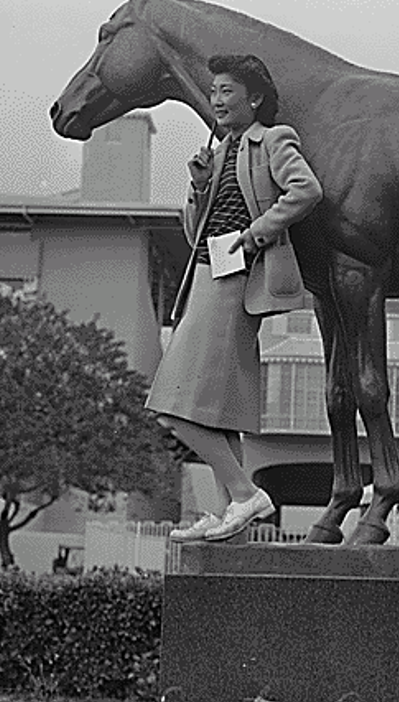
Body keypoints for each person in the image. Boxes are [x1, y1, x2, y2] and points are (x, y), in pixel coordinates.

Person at [145, 54, 322, 542]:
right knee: (219, 413)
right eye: (214, 91)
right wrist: (199, 186)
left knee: (172, 406)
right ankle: (230, 516)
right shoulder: (220, 152)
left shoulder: (274, 141)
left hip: (235, 279)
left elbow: (307, 190)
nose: (217, 100)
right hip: (207, 271)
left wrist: (256, 234)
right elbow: (192, 231)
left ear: (254, 99)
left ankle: (246, 495)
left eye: (227, 91)